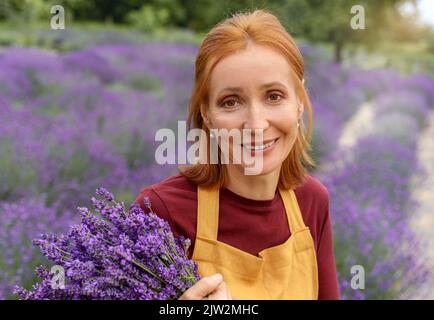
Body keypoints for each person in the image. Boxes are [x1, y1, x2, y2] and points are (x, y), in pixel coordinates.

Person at [135, 9, 340, 300]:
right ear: (206, 113)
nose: (256, 125)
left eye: (274, 96)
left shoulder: (312, 202)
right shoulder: (161, 212)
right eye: (231, 102)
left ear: (299, 101)